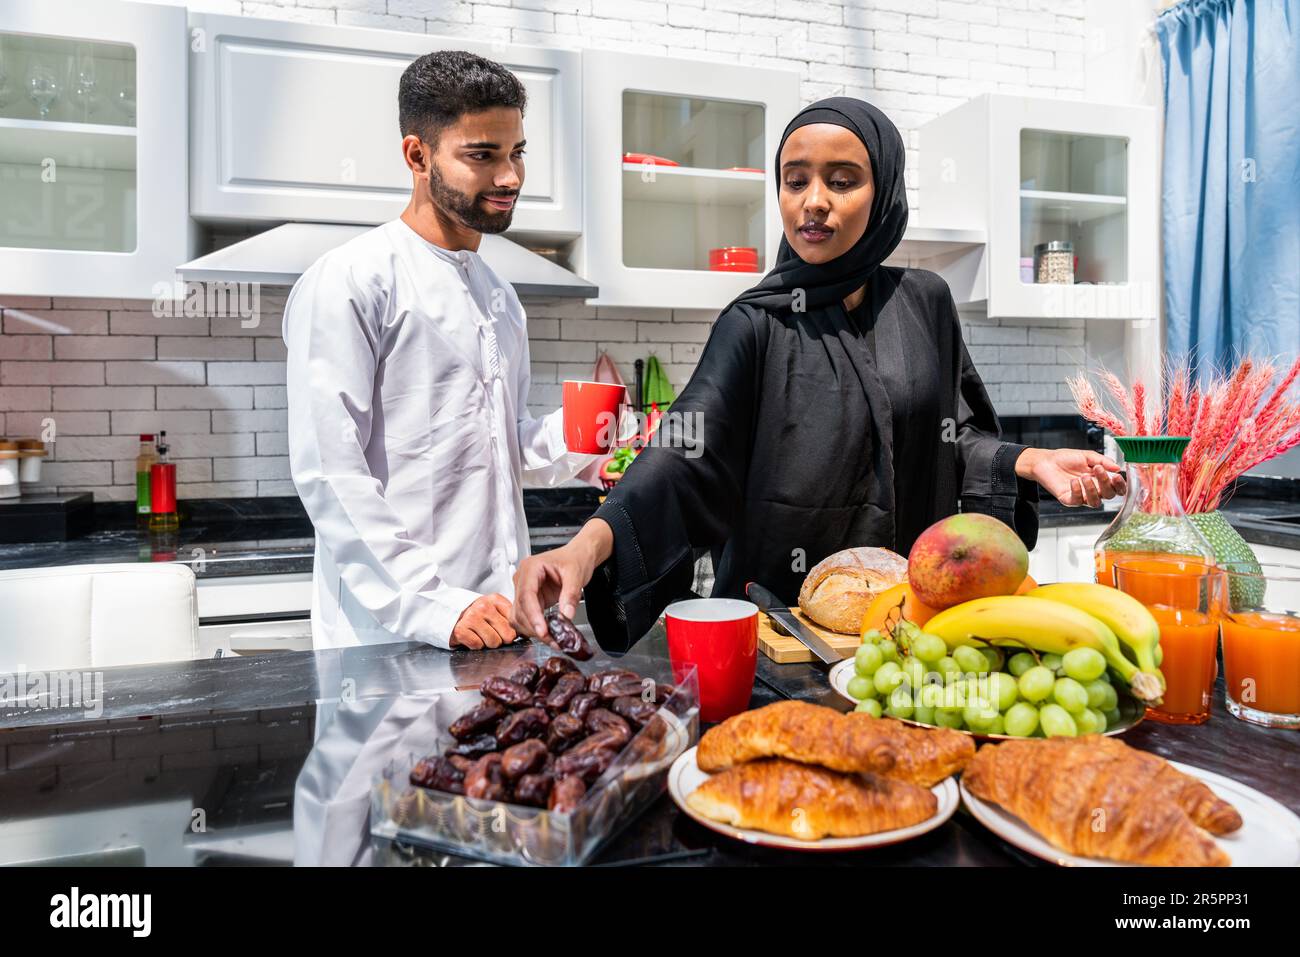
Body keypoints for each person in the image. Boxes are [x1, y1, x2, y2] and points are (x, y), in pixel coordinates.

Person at [511, 97, 1124, 651]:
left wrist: (1029, 461)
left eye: (842, 180)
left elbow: (946, 436)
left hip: (911, 621)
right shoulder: (753, 323)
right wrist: (587, 545)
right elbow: (681, 453)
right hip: (781, 630)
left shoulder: (925, 303)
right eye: (795, 180)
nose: (814, 201)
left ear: (883, 192)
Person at [284, 51, 590, 652]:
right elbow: (330, 470)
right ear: (417, 156)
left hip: (500, 619)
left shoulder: (499, 296)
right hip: (389, 633)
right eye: (483, 155)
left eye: (517, 152)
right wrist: (432, 605)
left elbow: (499, 445)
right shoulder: (351, 279)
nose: (511, 178)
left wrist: (589, 436)